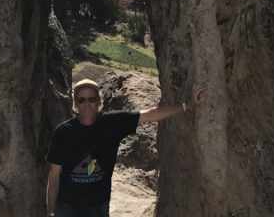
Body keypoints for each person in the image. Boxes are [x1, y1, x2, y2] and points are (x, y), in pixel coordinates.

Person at [46, 78, 206, 217]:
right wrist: (51, 212)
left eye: (91, 99)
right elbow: (54, 176)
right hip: (67, 207)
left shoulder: (112, 123)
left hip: (97, 206)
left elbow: (151, 114)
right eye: (82, 100)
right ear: (75, 104)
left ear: (99, 102)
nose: (87, 104)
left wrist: (188, 105)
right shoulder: (64, 132)